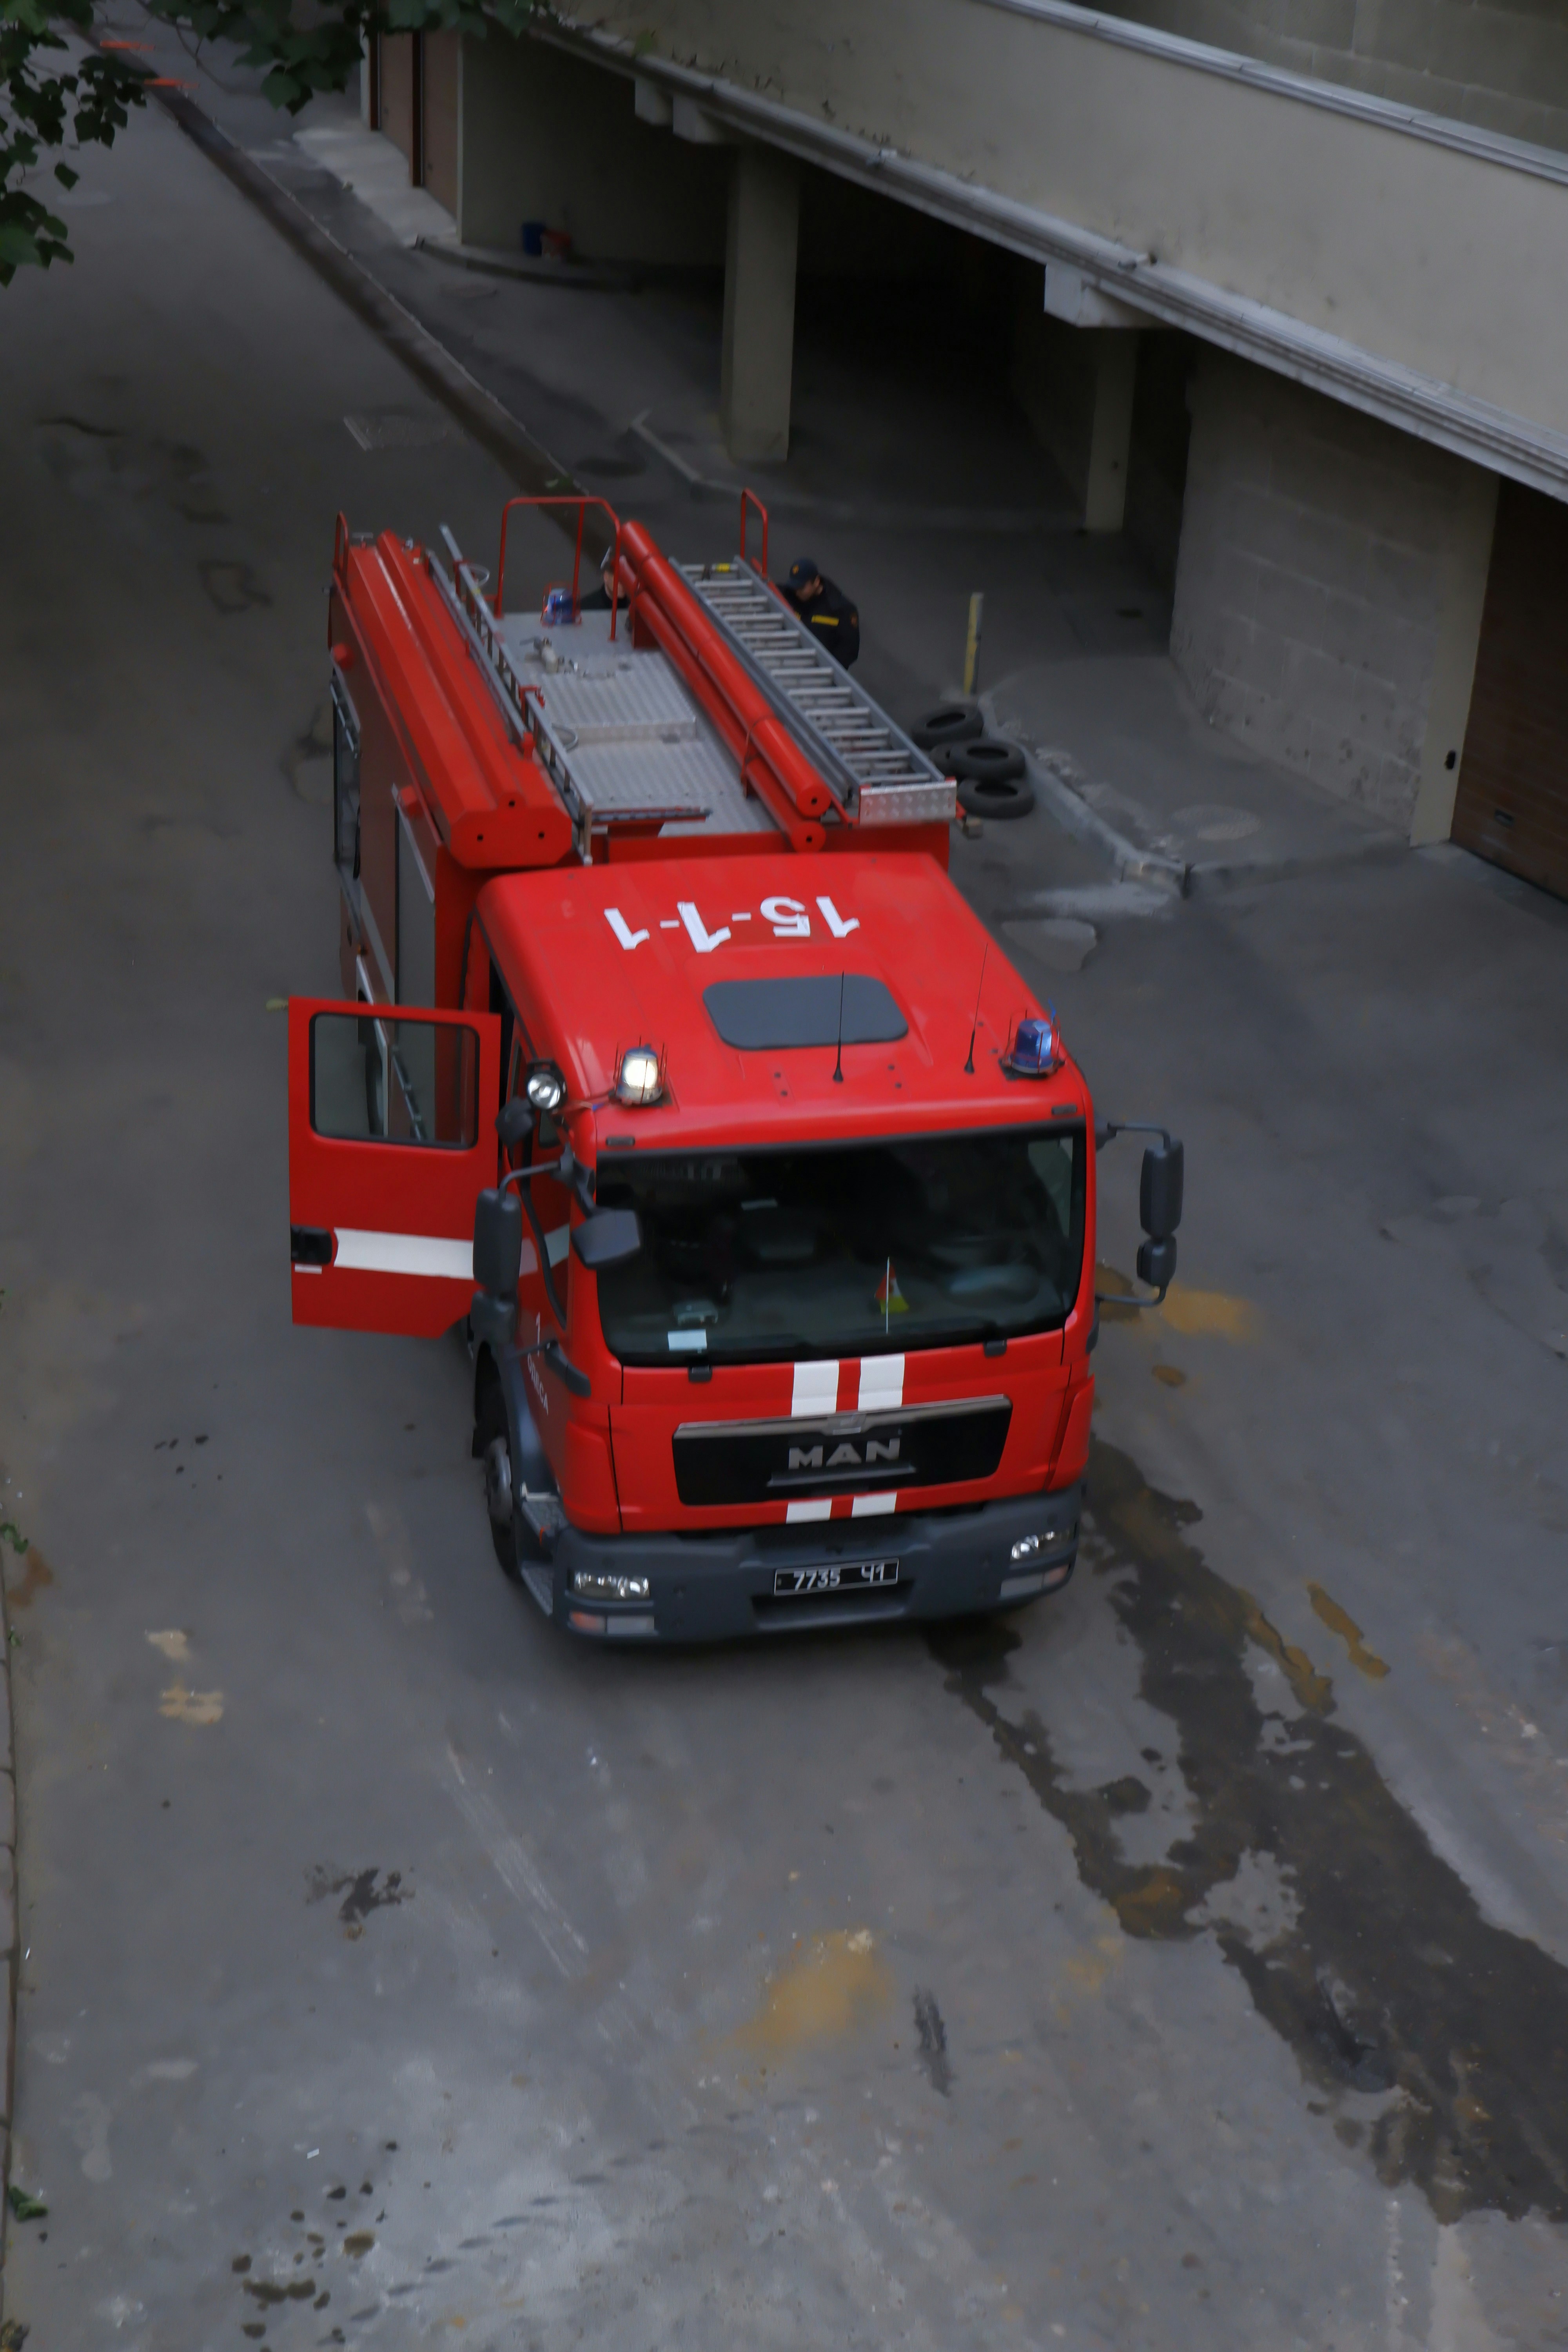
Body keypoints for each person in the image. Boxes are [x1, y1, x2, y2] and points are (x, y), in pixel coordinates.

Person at [781, 556, 859, 668]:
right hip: (788, 663)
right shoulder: (788, 596)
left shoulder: (841, 610)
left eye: (802, 588)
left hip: (819, 672)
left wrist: (823, 669)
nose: (797, 593)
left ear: (817, 582)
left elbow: (849, 650)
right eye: (795, 588)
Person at [578, 545, 621, 613]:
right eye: (619, 578)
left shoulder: (633, 608)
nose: (623, 584)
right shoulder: (585, 607)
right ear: (606, 576)